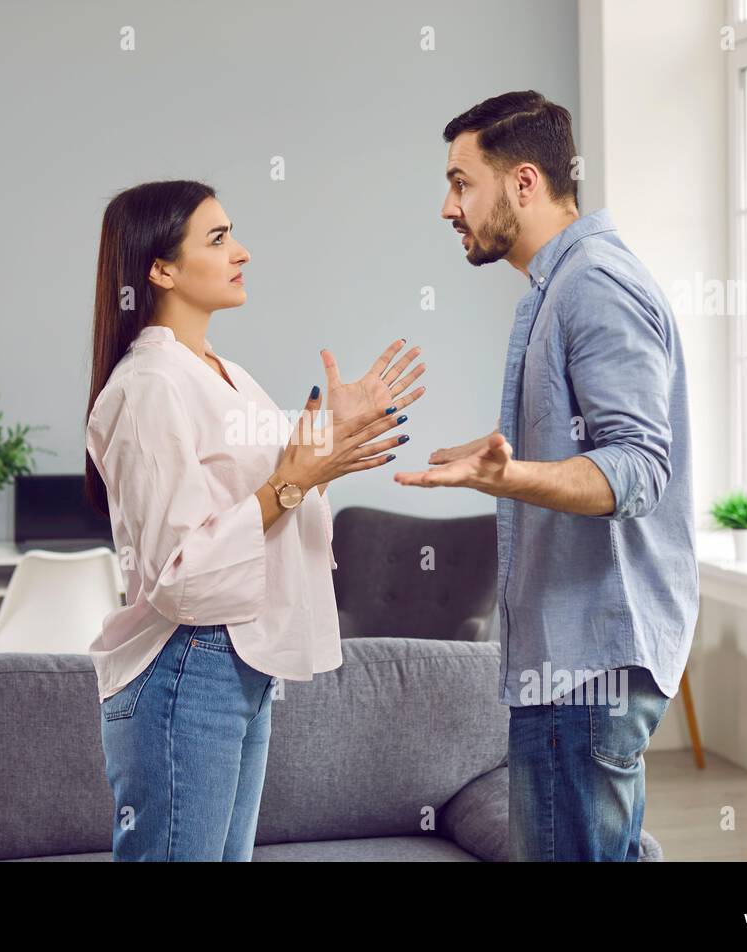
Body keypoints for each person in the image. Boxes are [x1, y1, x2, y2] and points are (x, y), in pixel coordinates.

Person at [394, 91, 699, 861]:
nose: (446, 206)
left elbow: (637, 469)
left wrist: (510, 476)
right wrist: (503, 458)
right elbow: (590, 445)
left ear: (523, 183)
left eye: (461, 183)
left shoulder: (592, 283)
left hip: (589, 665)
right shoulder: (556, 285)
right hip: (571, 662)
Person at [84, 179, 426, 861]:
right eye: (217, 239)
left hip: (237, 662)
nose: (241, 252)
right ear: (161, 269)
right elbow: (179, 575)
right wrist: (293, 482)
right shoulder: (149, 387)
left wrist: (335, 437)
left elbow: (286, 491)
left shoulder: (224, 374)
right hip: (186, 663)